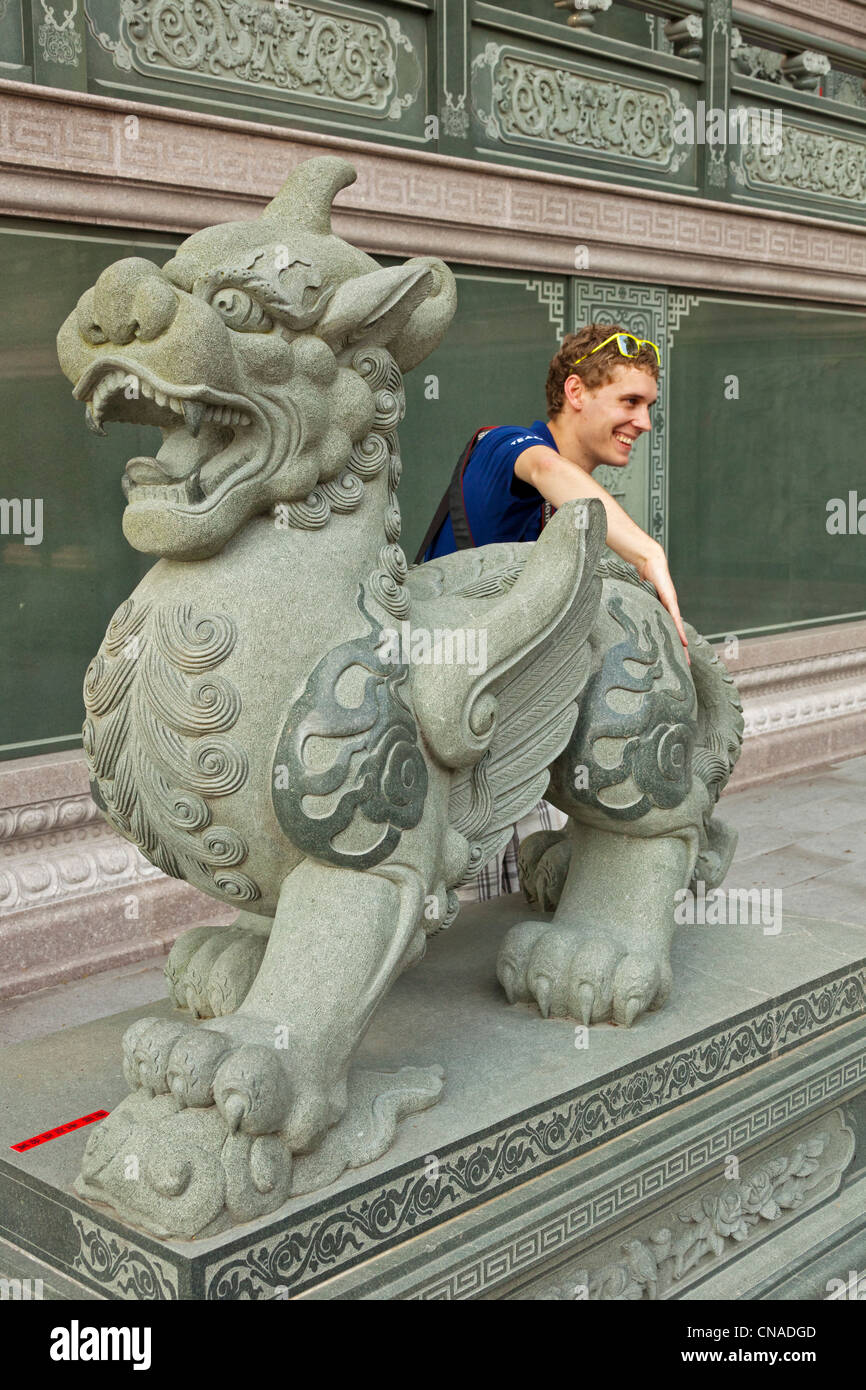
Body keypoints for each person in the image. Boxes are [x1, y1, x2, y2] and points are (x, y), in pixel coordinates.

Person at [420, 322, 689, 900]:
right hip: (455, 760)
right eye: (630, 401)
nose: (643, 422)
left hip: (530, 757)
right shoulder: (504, 445)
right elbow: (547, 471)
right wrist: (648, 553)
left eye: (648, 406)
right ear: (575, 393)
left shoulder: (579, 503)